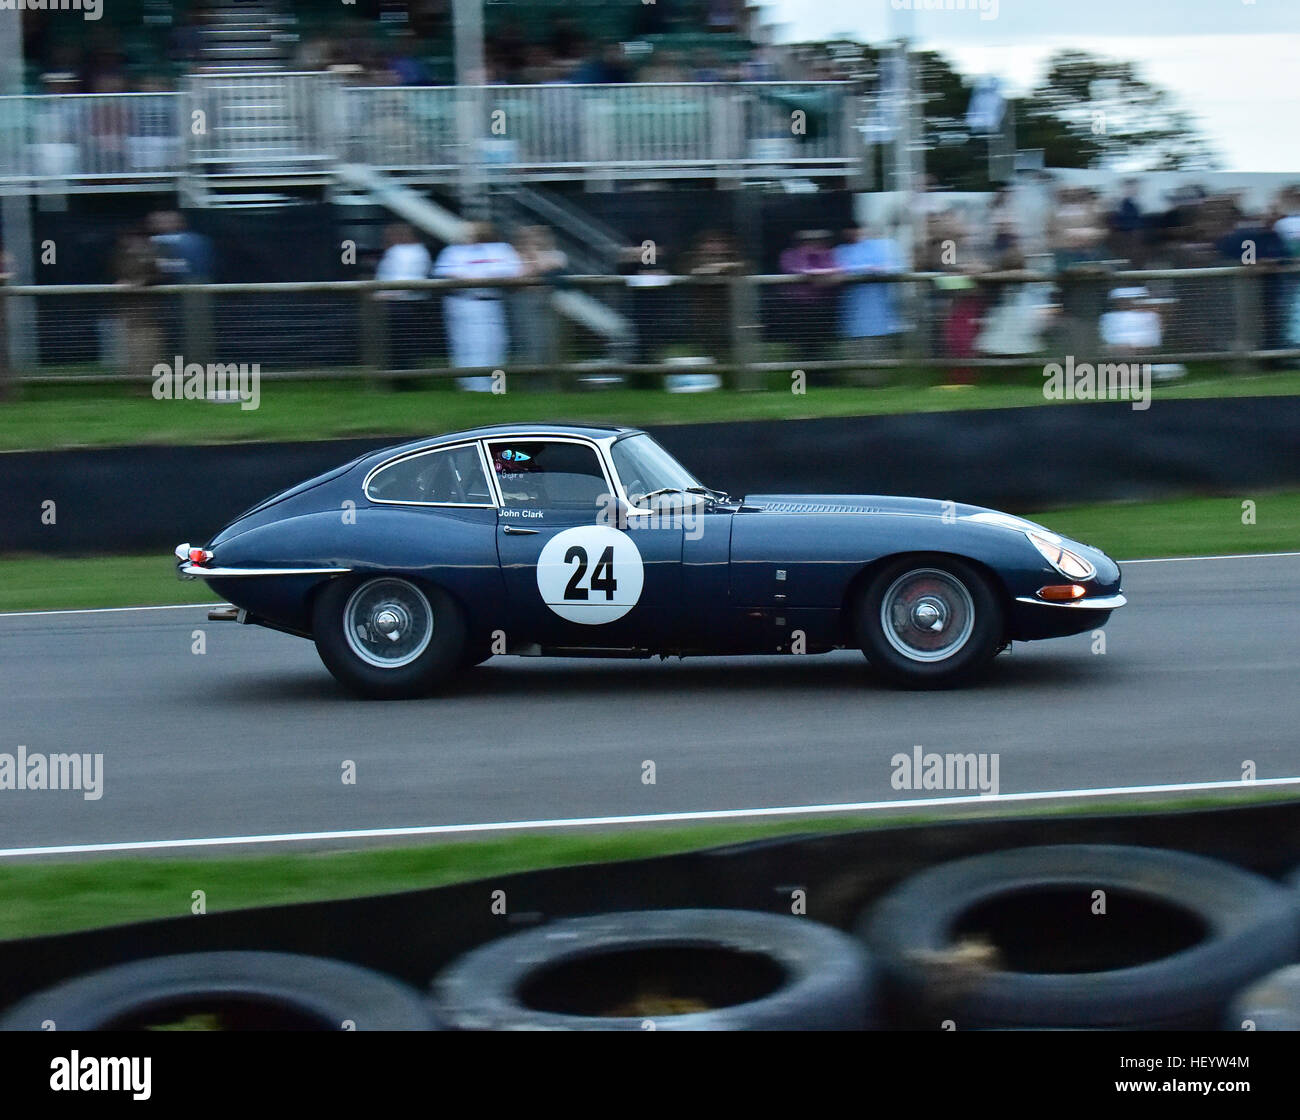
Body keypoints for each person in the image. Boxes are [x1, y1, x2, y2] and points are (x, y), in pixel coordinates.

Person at [434, 222, 523, 390]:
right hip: (464, 302)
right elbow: (443, 272)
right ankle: (472, 389)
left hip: (492, 302)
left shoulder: (500, 248)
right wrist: (472, 279)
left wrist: (482, 278)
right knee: (469, 347)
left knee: (497, 346)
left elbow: (514, 271)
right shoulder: (454, 251)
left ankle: (498, 388)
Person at [832, 224, 904, 370]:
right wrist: (865, 270)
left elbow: (898, 268)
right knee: (855, 363)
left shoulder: (886, 246)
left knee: (877, 363)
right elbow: (837, 271)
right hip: (851, 318)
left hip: (879, 318)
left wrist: (879, 271)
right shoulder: (840, 251)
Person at [375, 223, 434, 372]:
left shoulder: (411, 252)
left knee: (404, 344)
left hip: (405, 305)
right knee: (399, 344)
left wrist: (385, 294)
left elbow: (408, 281)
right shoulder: (403, 251)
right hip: (398, 304)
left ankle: (405, 375)